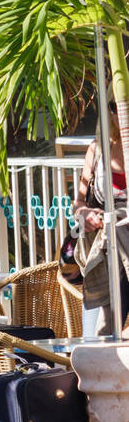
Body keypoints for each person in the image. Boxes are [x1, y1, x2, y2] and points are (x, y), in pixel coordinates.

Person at [72, 123, 129, 335]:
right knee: (94, 342)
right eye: (113, 106)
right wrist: (83, 213)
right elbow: (77, 203)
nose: (121, 112)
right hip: (104, 257)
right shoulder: (97, 149)